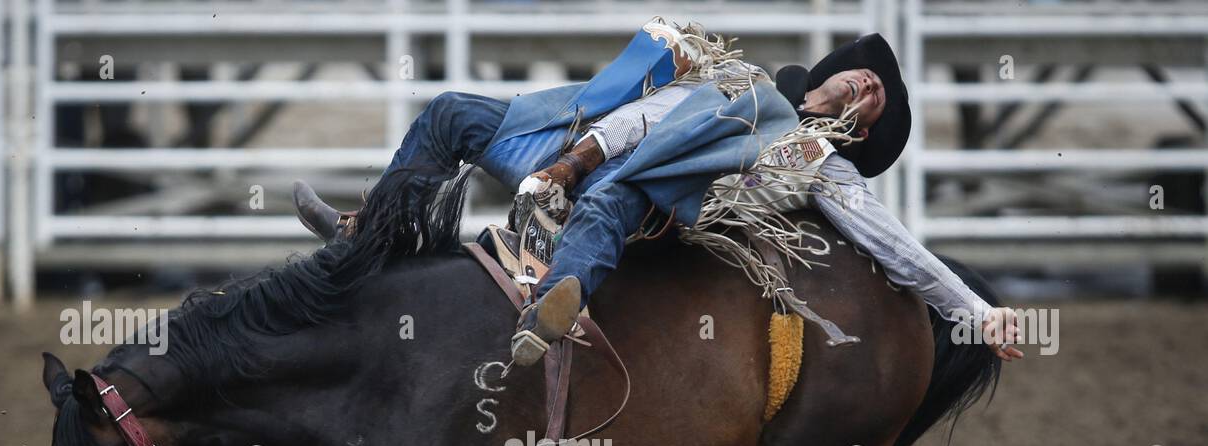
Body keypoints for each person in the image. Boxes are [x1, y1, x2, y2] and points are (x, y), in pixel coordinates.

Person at [294, 21, 1023, 365]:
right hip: (585, 142)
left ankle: (555, 304)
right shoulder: (744, 85)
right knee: (452, 110)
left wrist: (976, 312)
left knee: (612, 199)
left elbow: (892, 244)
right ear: (835, 72)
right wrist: (572, 158)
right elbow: (649, 112)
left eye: (875, 100)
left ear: (858, 128)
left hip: (648, 191)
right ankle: (374, 231)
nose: (868, 86)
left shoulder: (821, 164)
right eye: (866, 77)